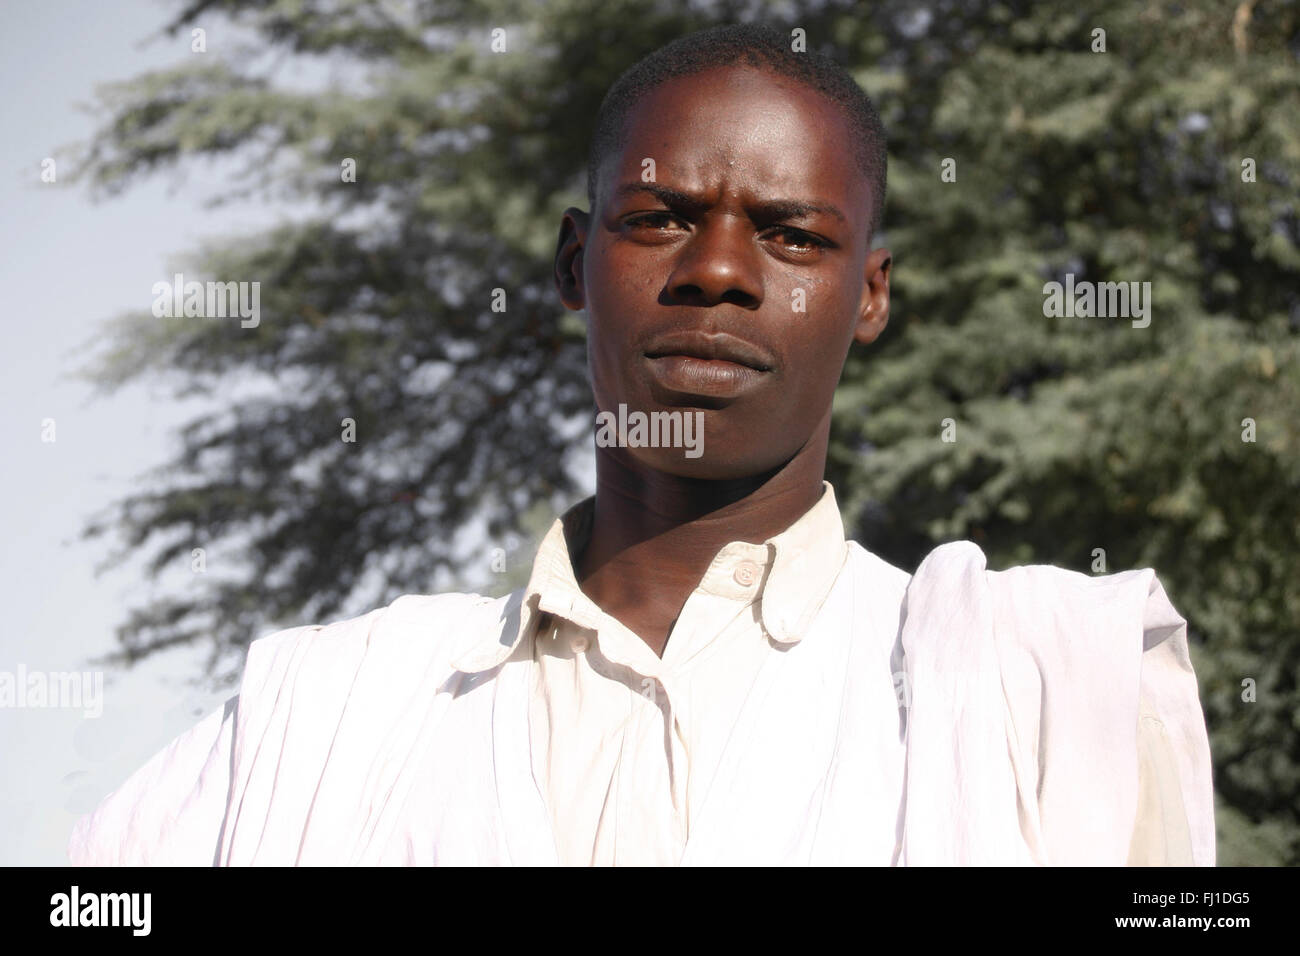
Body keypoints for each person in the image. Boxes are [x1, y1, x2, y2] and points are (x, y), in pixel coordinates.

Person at [69, 23, 1214, 866]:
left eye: (790, 235)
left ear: (868, 295)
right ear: (576, 263)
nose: (716, 269)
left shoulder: (1037, 684)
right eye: (659, 217)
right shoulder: (327, 710)